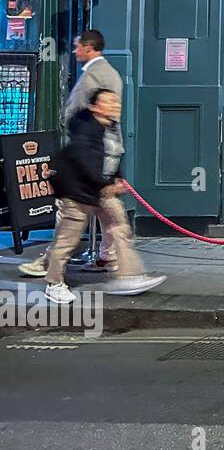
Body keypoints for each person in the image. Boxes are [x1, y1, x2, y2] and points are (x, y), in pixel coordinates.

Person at [19, 30, 123, 278]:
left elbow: (97, 119)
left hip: (90, 156)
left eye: (77, 47)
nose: (74, 51)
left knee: (71, 212)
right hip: (98, 156)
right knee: (108, 214)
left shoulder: (98, 75)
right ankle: (109, 257)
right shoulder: (102, 73)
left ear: (89, 48)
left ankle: (50, 265)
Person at [44, 89, 166, 303]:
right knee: (67, 239)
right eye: (108, 101)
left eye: (115, 101)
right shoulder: (85, 128)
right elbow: (85, 161)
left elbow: (113, 156)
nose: (114, 105)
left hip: (101, 188)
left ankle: (128, 276)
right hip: (78, 190)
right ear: (94, 107)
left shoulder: (110, 127)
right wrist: (107, 183)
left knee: (119, 226)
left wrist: (118, 178)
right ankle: (54, 284)